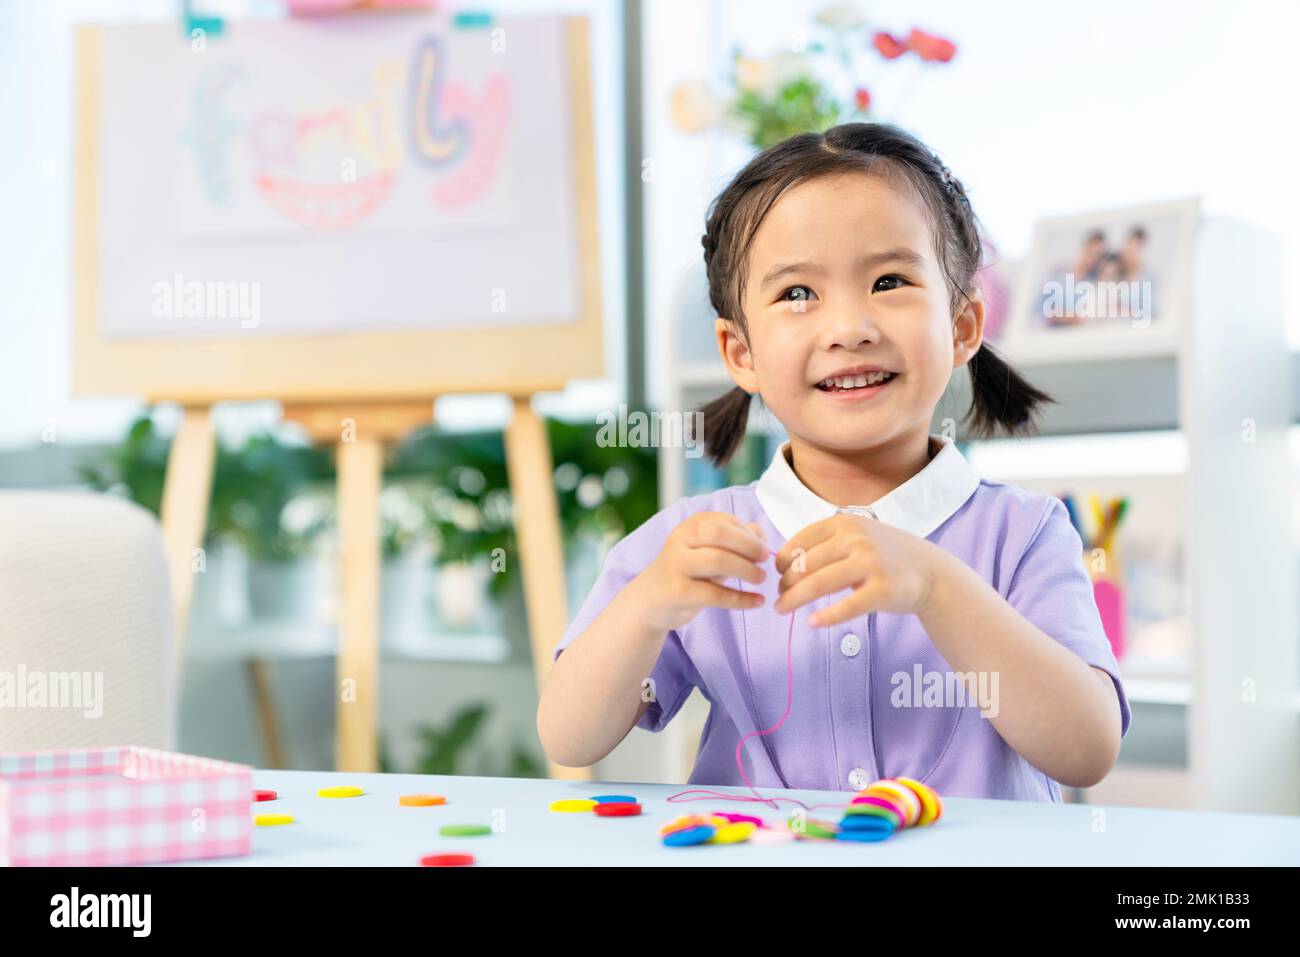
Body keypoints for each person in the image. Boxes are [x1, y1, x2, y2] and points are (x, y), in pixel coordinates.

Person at [537, 123, 1131, 801]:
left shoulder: (1023, 532)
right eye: (797, 294)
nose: (849, 327)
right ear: (740, 353)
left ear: (962, 326)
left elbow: (1087, 748)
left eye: (888, 280)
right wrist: (646, 607)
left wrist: (936, 585)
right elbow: (569, 736)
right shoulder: (696, 545)